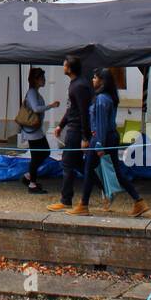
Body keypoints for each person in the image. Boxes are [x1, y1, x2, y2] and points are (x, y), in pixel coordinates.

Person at [85, 67, 150, 217]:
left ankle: (84, 204)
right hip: (110, 136)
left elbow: (100, 124)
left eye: (95, 77)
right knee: (115, 171)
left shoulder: (101, 99)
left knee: (89, 169)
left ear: (102, 81)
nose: (93, 80)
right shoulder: (110, 97)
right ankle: (136, 199)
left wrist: (99, 144)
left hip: (102, 138)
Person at [48, 54, 95, 215]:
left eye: (64, 64)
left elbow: (83, 112)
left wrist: (84, 137)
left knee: (67, 164)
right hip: (72, 128)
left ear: (70, 68)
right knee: (80, 165)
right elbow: (71, 109)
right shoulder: (74, 84)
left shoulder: (79, 86)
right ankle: (107, 190)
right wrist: (61, 125)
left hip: (76, 131)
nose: (63, 67)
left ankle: (66, 200)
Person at [20, 67, 60, 195]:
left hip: (35, 129)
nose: (44, 80)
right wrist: (51, 106)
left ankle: (28, 177)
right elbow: (36, 109)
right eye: (42, 78)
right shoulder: (32, 92)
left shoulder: (35, 92)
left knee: (42, 153)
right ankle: (31, 183)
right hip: (32, 131)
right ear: (35, 80)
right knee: (38, 155)